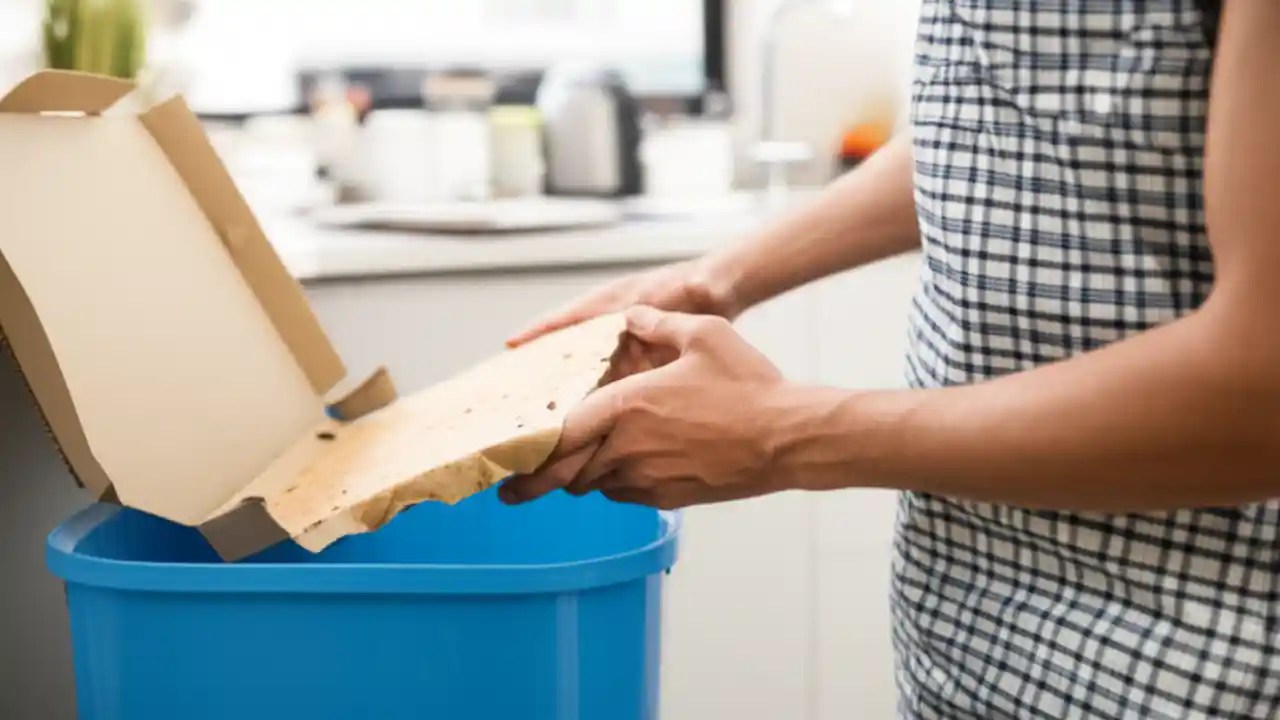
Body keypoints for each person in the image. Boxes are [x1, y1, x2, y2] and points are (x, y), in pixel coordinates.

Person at [502, 1, 1279, 717]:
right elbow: (1009, 118)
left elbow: (1262, 392)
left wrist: (784, 433)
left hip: (1192, 665)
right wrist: (712, 281)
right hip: (961, 646)